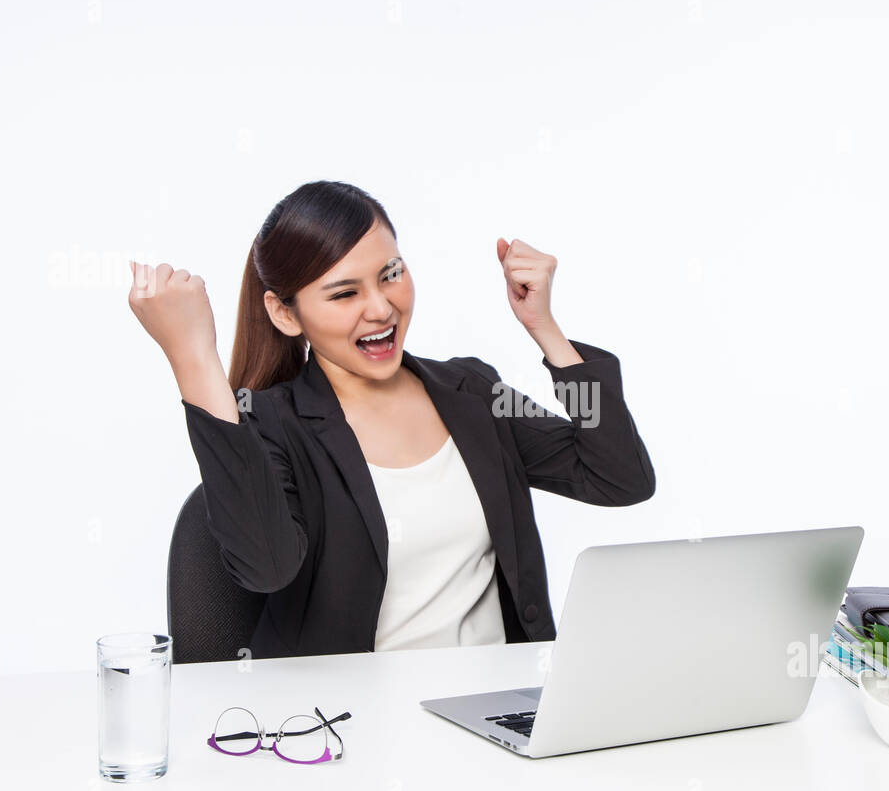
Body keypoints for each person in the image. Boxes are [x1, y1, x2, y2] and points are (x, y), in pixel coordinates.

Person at [128, 180, 655, 658]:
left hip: (494, 711)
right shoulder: (271, 425)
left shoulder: (470, 393)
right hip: (349, 728)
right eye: (345, 293)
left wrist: (546, 330)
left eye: (391, 275)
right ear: (286, 313)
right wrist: (192, 356)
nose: (380, 308)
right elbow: (266, 566)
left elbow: (618, 477)